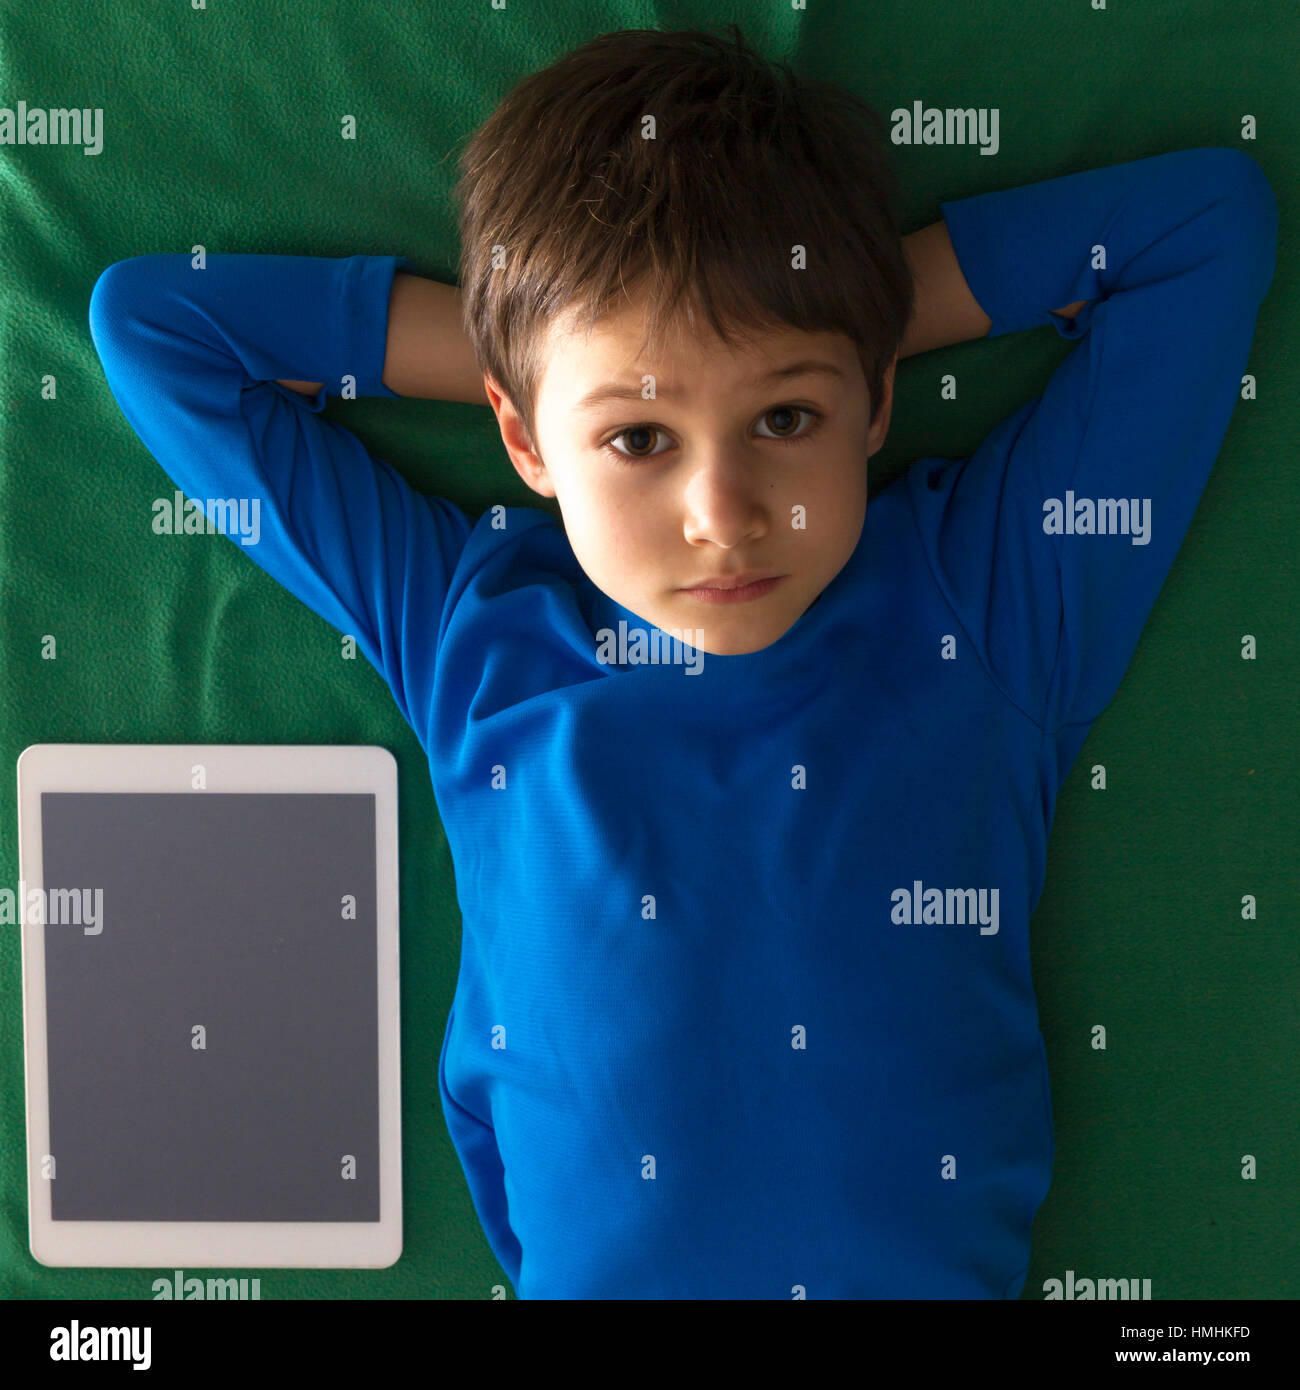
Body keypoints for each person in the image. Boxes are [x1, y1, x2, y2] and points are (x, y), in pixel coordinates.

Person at [88, 25, 1277, 1297]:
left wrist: (828, 315)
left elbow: (1204, 227)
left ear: (873, 401)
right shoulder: (471, 627)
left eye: (785, 416)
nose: (723, 510)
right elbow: (157, 328)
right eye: (640, 436)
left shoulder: (984, 602)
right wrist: (561, 363)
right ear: (526, 441)